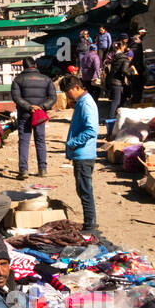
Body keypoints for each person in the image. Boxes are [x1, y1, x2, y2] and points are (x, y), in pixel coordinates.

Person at [61, 75, 100, 237]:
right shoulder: (81, 103)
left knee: (84, 189)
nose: (67, 95)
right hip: (81, 153)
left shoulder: (86, 104)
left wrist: (73, 143)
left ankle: (90, 223)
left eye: (68, 91)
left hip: (84, 154)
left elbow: (91, 129)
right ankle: (90, 221)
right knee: (82, 188)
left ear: (77, 87)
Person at [10, 57, 57, 179]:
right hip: (39, 114)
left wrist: (29, 107)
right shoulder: (46, 79)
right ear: (35, 65)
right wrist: (41, 107)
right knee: (40, 140)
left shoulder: (18, 80)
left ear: (23, 67)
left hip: (24, 114)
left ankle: (23, 171)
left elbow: (16, 97)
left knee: (24, 141)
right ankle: (42, 169)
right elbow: (53, 97)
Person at [104, 39, 134, 123]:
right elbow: (124, 70)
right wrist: (131, 74)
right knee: (116, 101)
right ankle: (110, 119)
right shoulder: (124, 59)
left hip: (112, 80)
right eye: (125, 46)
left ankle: (115, 118)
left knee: (117, 100)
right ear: (123, 46)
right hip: (117, 82)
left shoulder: (115, 57)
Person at [129, 29, 148, 104]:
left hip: (137, 66)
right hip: (136, 67)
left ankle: (136, 99)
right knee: (137, 84)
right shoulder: (136, 44)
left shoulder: (136, 43)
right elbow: (136, 57)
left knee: (136, 84)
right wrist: (140, 67)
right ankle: (136, 100)